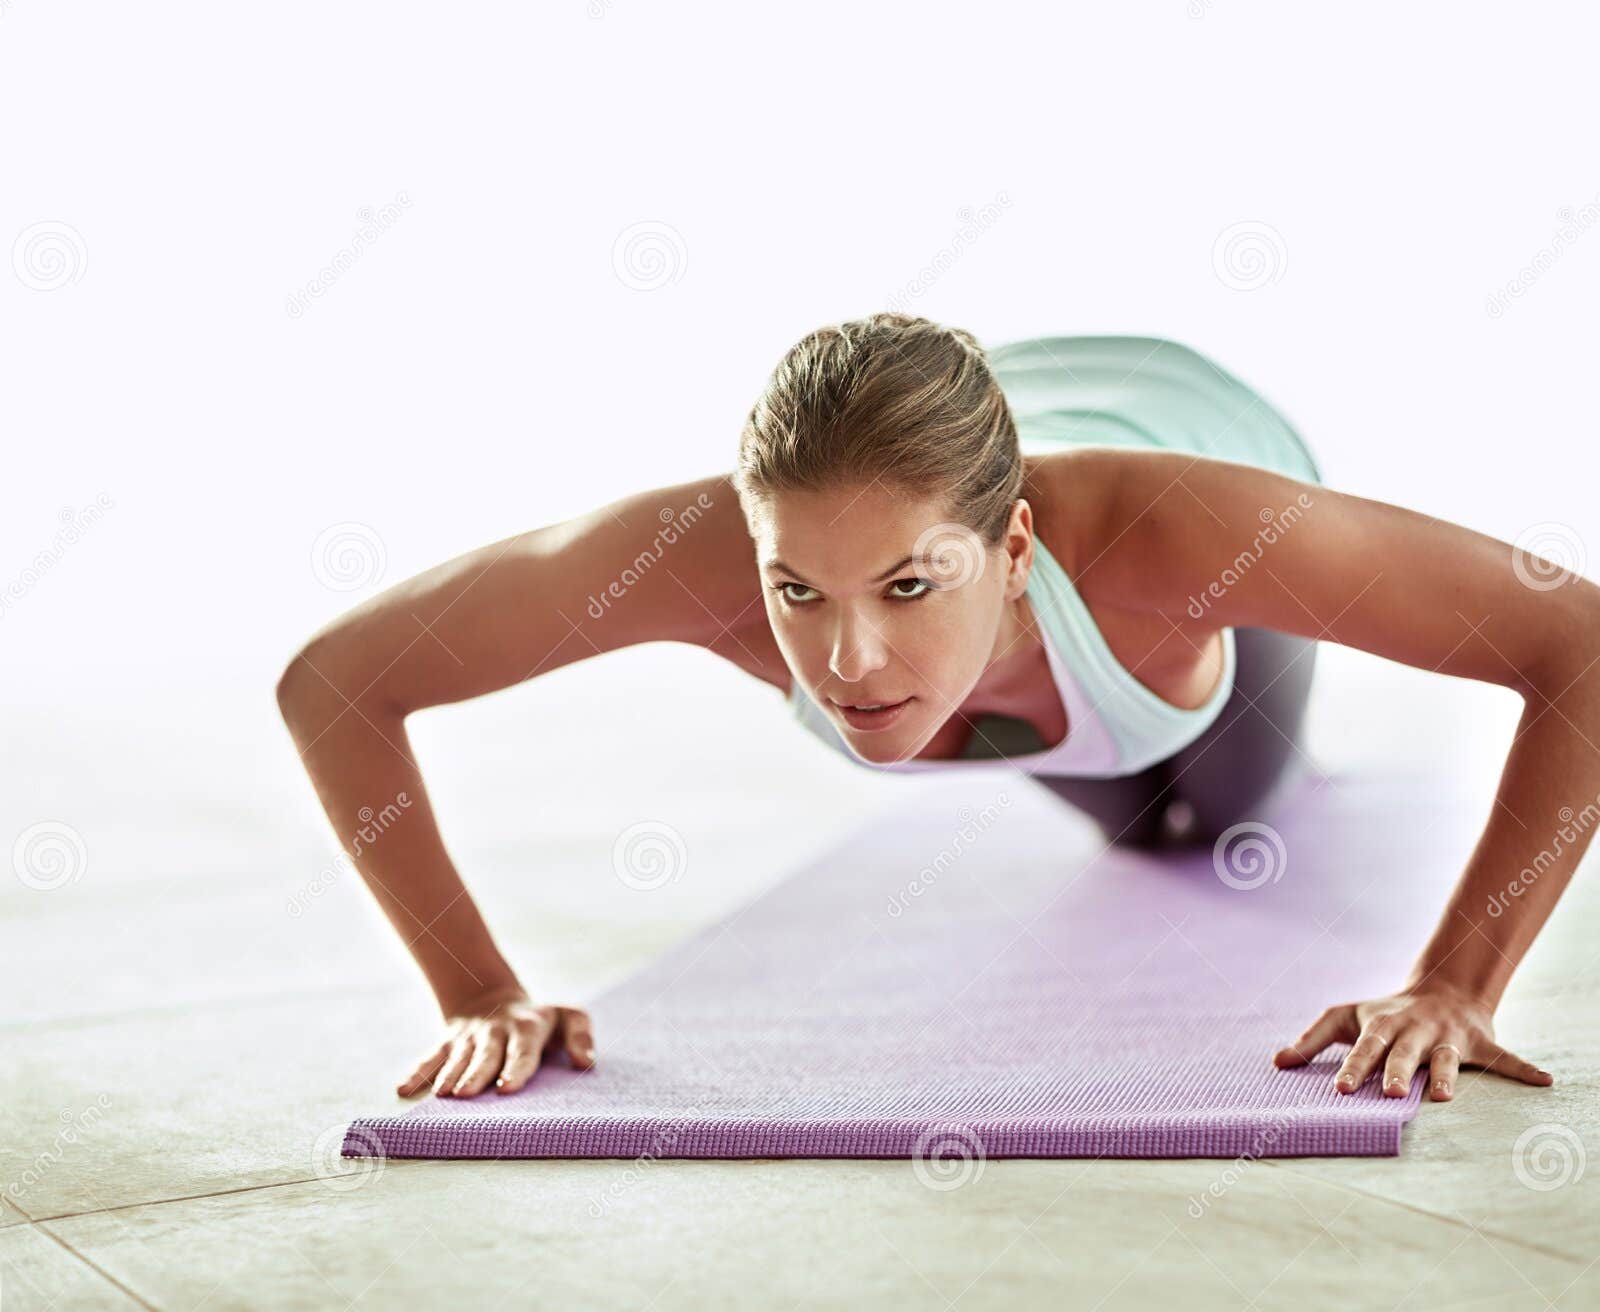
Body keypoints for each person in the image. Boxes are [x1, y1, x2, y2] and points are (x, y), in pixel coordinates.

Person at [277, 315, 1571, 1107]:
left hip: (1194, 462)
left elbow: (1583, 641)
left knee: (1196, 814)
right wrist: (474, 992)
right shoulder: (700, 559)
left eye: (905, 586)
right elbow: (333, 680)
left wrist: (1458, 982)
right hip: (957, 466)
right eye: (798, 590)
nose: (846, 660)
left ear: (1013, 549)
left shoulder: (1172, 547)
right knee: (1062, 772)